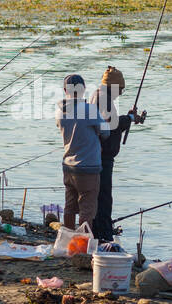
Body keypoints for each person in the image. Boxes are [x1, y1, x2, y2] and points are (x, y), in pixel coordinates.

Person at [90, 66, 145, 241]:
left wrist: (127, 119)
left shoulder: (99, 96)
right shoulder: (104, 98)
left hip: (98, 154)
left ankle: (99, 231)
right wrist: (128, 119)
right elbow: (109, 125)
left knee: (99, 197)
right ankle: (103, 234)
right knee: (104, 197)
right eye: (120, 89)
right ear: (113, 86)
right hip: (102, 156)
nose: (121, 93)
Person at [56, 73, 109, 231]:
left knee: (70, 208)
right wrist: (103, 122)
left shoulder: (59, 111)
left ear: (65, 90)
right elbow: (105, 133)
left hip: (68, 166)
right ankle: (82, 247)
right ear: (83, 89)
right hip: (88, 168)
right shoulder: (89, 109)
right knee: (87, 210)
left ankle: (68, 241)